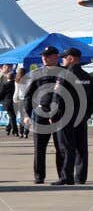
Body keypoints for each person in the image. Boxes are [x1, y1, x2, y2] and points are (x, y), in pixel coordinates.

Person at [23, 46, 71, 185]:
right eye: (43, 55)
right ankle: (39, 176)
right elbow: (28, 96)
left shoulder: (64, 72)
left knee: (60, 147)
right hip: (40, 114)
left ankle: (62, 176)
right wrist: (27, 114)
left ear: (56, 56)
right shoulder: (36, 73)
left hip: (59, 115)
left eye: (48, 55)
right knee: (39, 147)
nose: (44, 57)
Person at [59, 48, 93, 185]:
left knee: (67, 147)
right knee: (81, 148)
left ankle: (66, 177)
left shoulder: (65, 75)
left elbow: (59, 97)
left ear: (71, 58)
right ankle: (80, 177)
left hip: (67, 117)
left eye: (64, 58)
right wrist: (87, 115)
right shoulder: (87, 76)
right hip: (82, 116)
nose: (62, 60)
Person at [0, 66, 16, 137]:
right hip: (10, 101)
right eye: (6, 67)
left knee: (12, 116)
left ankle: (11, 129)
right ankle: (9, 128)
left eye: (9, 67)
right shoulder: (2, 78)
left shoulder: (9, 81)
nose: (8, 68)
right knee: (12, 116)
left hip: (10, 101)